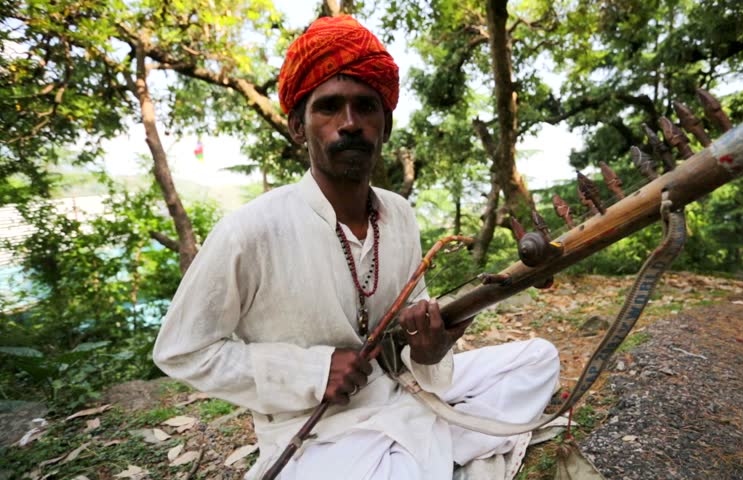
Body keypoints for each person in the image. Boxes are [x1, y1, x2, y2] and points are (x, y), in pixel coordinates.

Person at [153, 15, 560, 480]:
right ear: (297, 127)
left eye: (366, 107)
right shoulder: (250, 230)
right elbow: (182, 350)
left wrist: (428, 351)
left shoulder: (399, 213)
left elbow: (410, 331)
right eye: (328, 107)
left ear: (383, 126)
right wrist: (310, 372)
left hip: (403, 389)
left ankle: (423, 449)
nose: (349, 124)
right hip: (316, 429)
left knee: (537, 358)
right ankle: (435, 451)